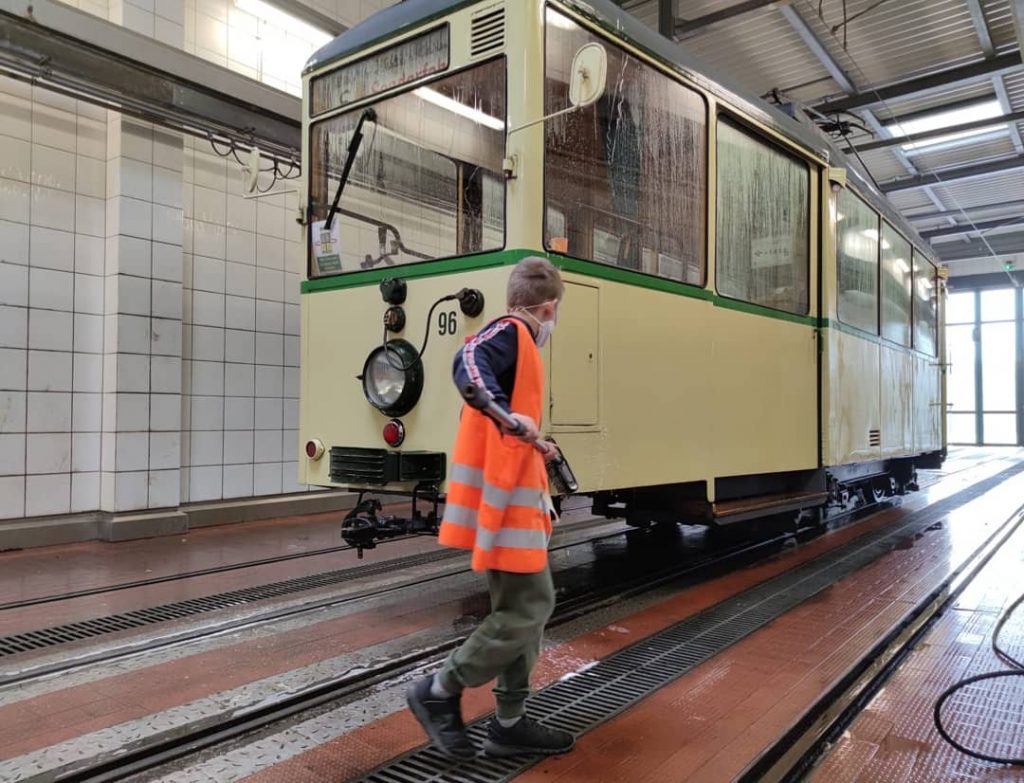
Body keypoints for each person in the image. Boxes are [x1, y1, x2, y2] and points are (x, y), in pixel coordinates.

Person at [406, 256, 575, 759]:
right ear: (547, 307)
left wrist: (530, 437)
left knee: (520, 612)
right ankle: (439, 691)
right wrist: (506, 416)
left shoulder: (522, 344)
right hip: (505, 509)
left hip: (518, 508)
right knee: (531, 605)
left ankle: (509, 722)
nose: (553, 322)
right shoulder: (508, 332)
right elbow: (468, 360)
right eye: (555, 312)